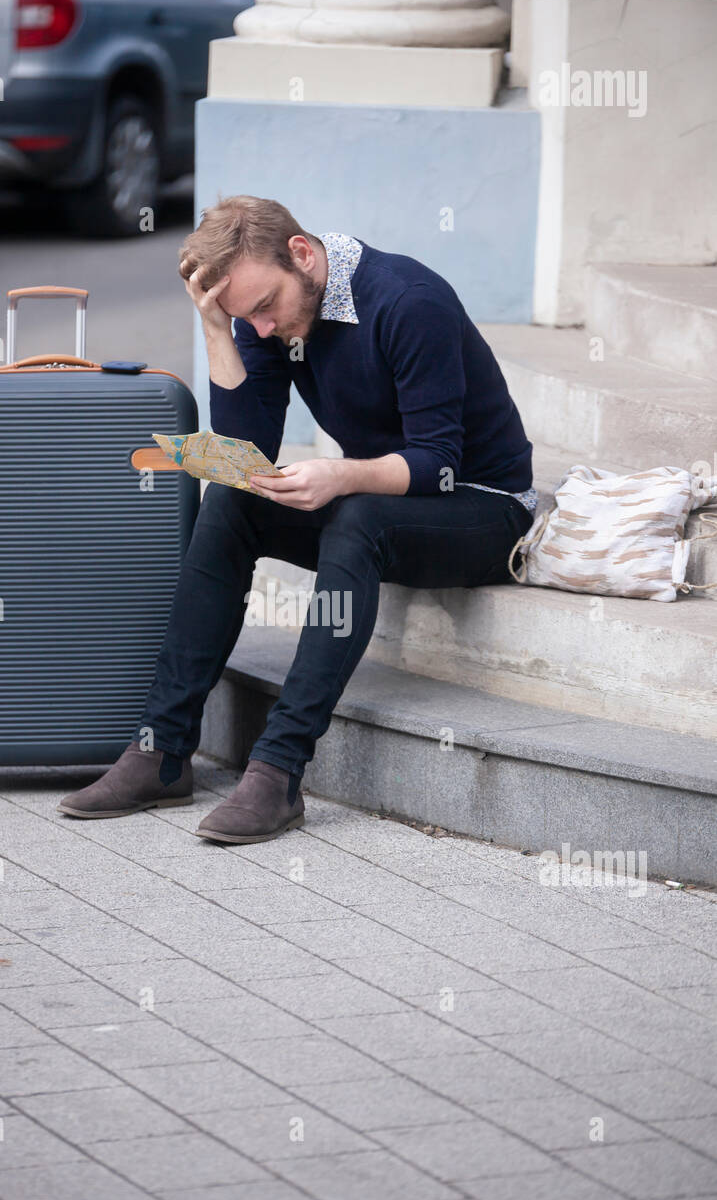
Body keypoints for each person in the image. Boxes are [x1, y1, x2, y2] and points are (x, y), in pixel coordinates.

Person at [58, 195, 536, 842]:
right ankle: (162, 751)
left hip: (482, 510)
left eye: (261, 308)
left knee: (358, 518)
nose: (260, 327)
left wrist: (342, 474)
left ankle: (278, 771)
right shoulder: (263, 318)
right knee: (232, 501)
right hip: (386, 501)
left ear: (303, 255)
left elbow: (437, 463)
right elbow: (245, 455)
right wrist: (216, 330)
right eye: (242, 316)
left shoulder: (405, 301)